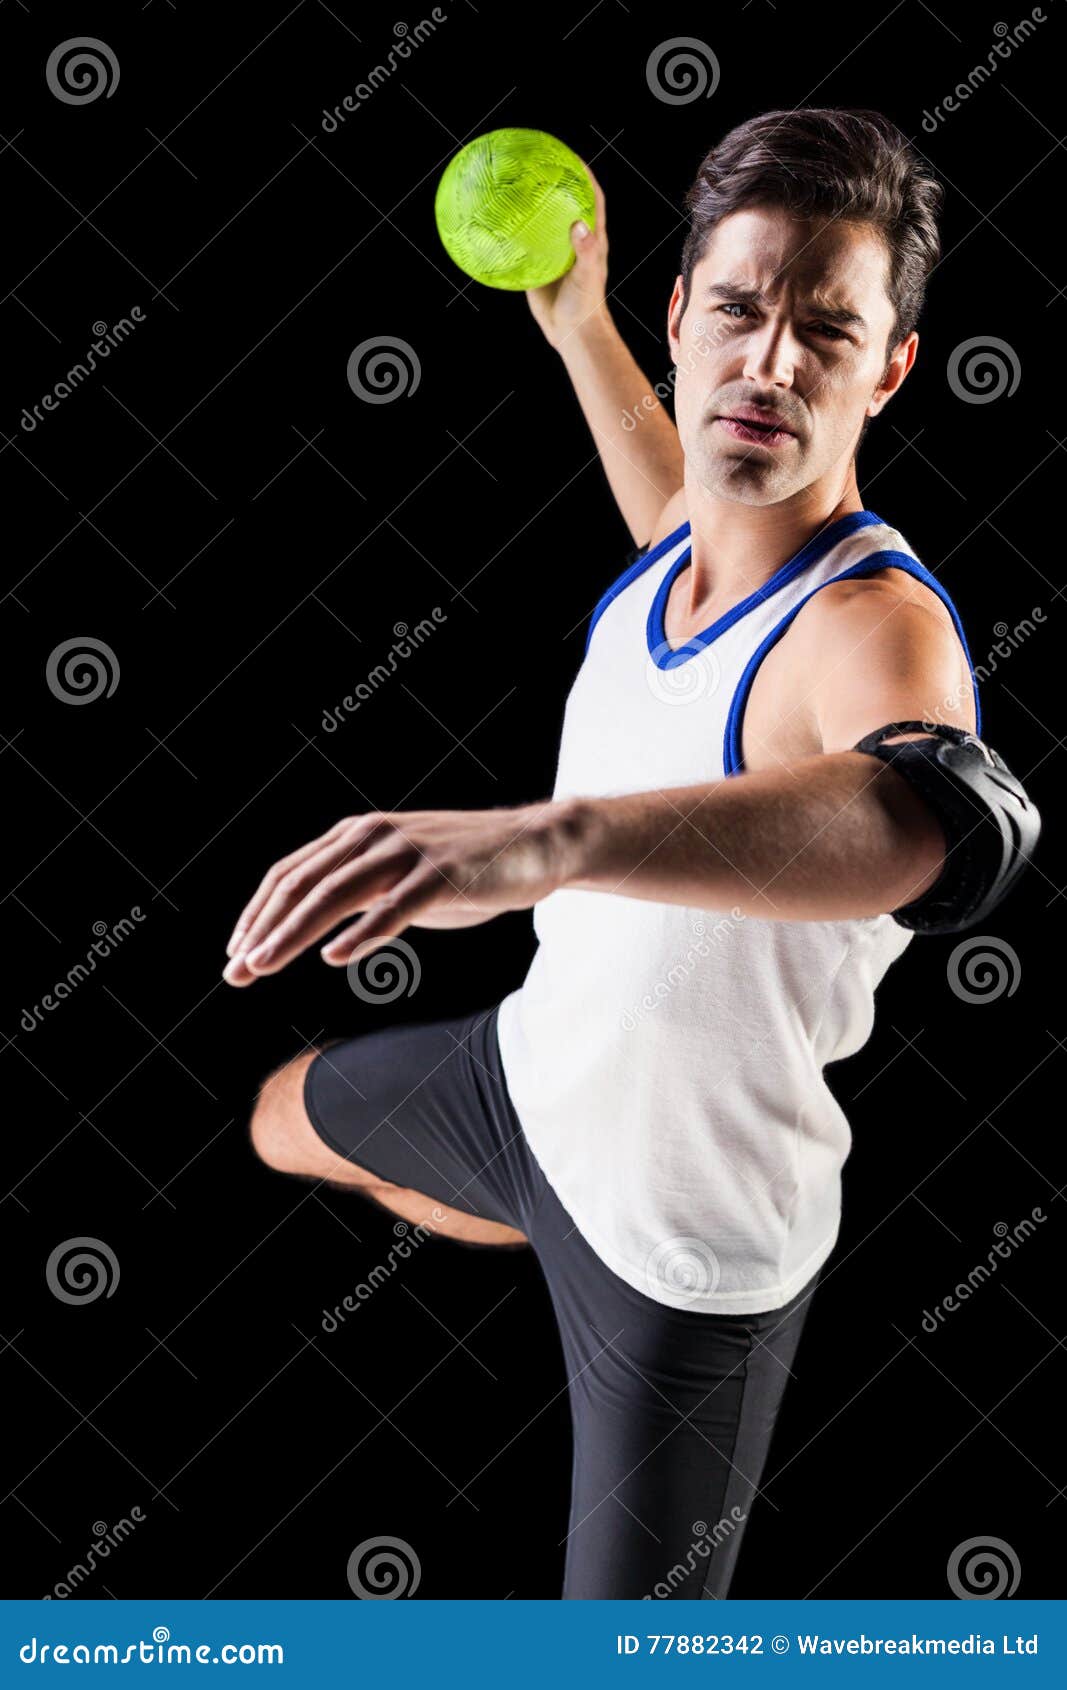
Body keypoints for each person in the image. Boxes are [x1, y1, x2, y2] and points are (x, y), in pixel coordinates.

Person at [223, 109, 1039, 1598]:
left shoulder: (870, 627)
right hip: (531, 1081)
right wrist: (577, 327)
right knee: (282, 1115)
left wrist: (552, 842)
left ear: (892, 369)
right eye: (736, 309)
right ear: (685, 315)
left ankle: (570, 1265)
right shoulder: (690, 529)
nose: (769, 364)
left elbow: (929, 821)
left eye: (825, 333)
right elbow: (676, 498)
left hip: (681, 1250)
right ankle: (519, 1215)